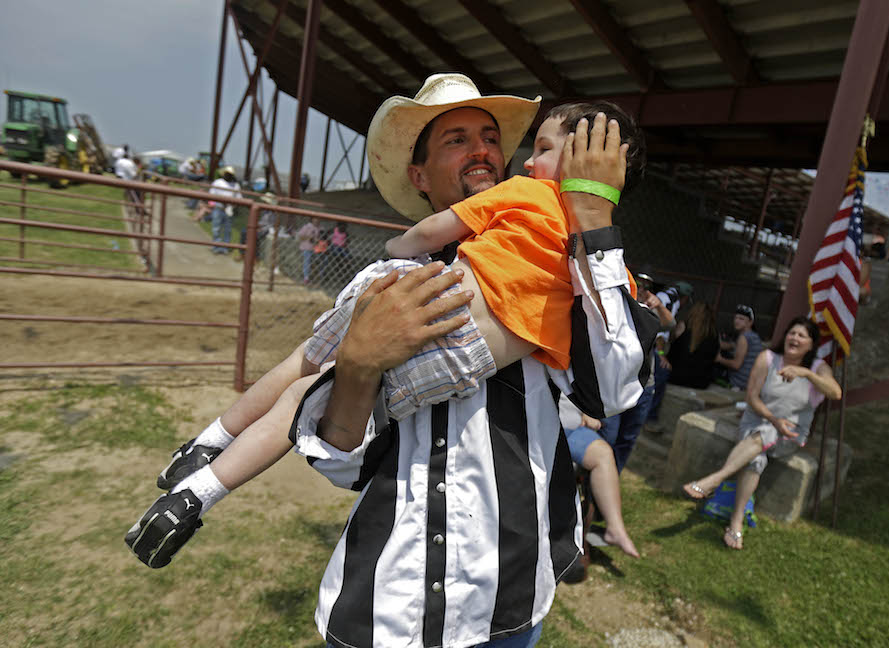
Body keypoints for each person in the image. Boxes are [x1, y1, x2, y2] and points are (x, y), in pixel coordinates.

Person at [126, 73, 653, 647]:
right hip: (391, 604)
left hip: (510, 592)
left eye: (490, 138)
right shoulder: (386, 279)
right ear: (419, 176)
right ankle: (206, 456)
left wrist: (594, 224)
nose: (483, 150)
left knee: (306, 386)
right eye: (456, 139)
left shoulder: (581, 265)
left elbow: (616, 390)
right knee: (309, 379)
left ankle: (204, 465)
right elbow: (339, 458)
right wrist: (359, 366)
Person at [683, 316, 842, 549]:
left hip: (790, 433)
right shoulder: (767, 358)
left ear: (811, 344)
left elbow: (835, 393)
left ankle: (715, 479)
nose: (794, 338)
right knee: (757, 457)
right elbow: (752, 397)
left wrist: (805, 373)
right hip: (757, 421)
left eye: (801, 335)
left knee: (766, 436)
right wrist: (774, 420)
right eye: (792, 333)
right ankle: (736, 522)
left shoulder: (818, 367)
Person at [596, 271, 675, 471]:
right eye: (638, 284)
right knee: (608, 435)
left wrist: (659, 305)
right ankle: (595, 477)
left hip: (644, 386)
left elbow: (670, 324)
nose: (641, 289)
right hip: (616, 385)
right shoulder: (618, 305)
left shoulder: (651, 312)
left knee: (628, 438)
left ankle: (613, 476)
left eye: (646, 287)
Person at [558, 393, 639, 557]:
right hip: (550, 424)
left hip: (572, 422)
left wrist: (585, 411)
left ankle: (615, 529)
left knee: (604, 453)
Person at [646, 280, 694, 422]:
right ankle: (650, 417)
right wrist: (661, 355)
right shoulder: (671, 302)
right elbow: (660, 334)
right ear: (685, 298)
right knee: (662, 372)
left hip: (646, 344)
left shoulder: (664, 296)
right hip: (651, 347)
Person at [667, 302, 720, 389]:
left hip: (677, 377)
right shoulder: (714, 334)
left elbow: (672, 352)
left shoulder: (683, 327)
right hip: (701, 382)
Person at [715, 303, 763, 390]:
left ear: (750, 322)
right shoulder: (754, 336)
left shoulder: (744, 337)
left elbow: (736, 365)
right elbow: (732, 346)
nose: (737, 321)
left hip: (738, 382)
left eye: (741, 319)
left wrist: (719, 359)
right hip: (749, 380)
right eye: (736, 318)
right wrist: (731, 345)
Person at [207, 166, 242, 254]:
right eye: (227, 173)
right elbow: (211, 194)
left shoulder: (236, 185)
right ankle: (216, 246)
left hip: (229, 209)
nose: (228, 175)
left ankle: (225, 248)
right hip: (218, 207)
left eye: (230, 174)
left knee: (228, 229)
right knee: (216, 228)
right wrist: (212, 204)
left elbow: (239, 198)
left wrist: (233, 206)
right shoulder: (218, 182)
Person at [296, 218, 320, 285]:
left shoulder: (317, 228)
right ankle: (306, 278)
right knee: (307, 262)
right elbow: (300, 236)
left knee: (311, 263)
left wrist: (316, 240)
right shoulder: (307, 226)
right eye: (315, 219)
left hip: (314, 248)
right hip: (306, 247)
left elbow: (316, 238)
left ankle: (309, 277)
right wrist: (308, 237)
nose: (317, 221)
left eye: (318, 220)